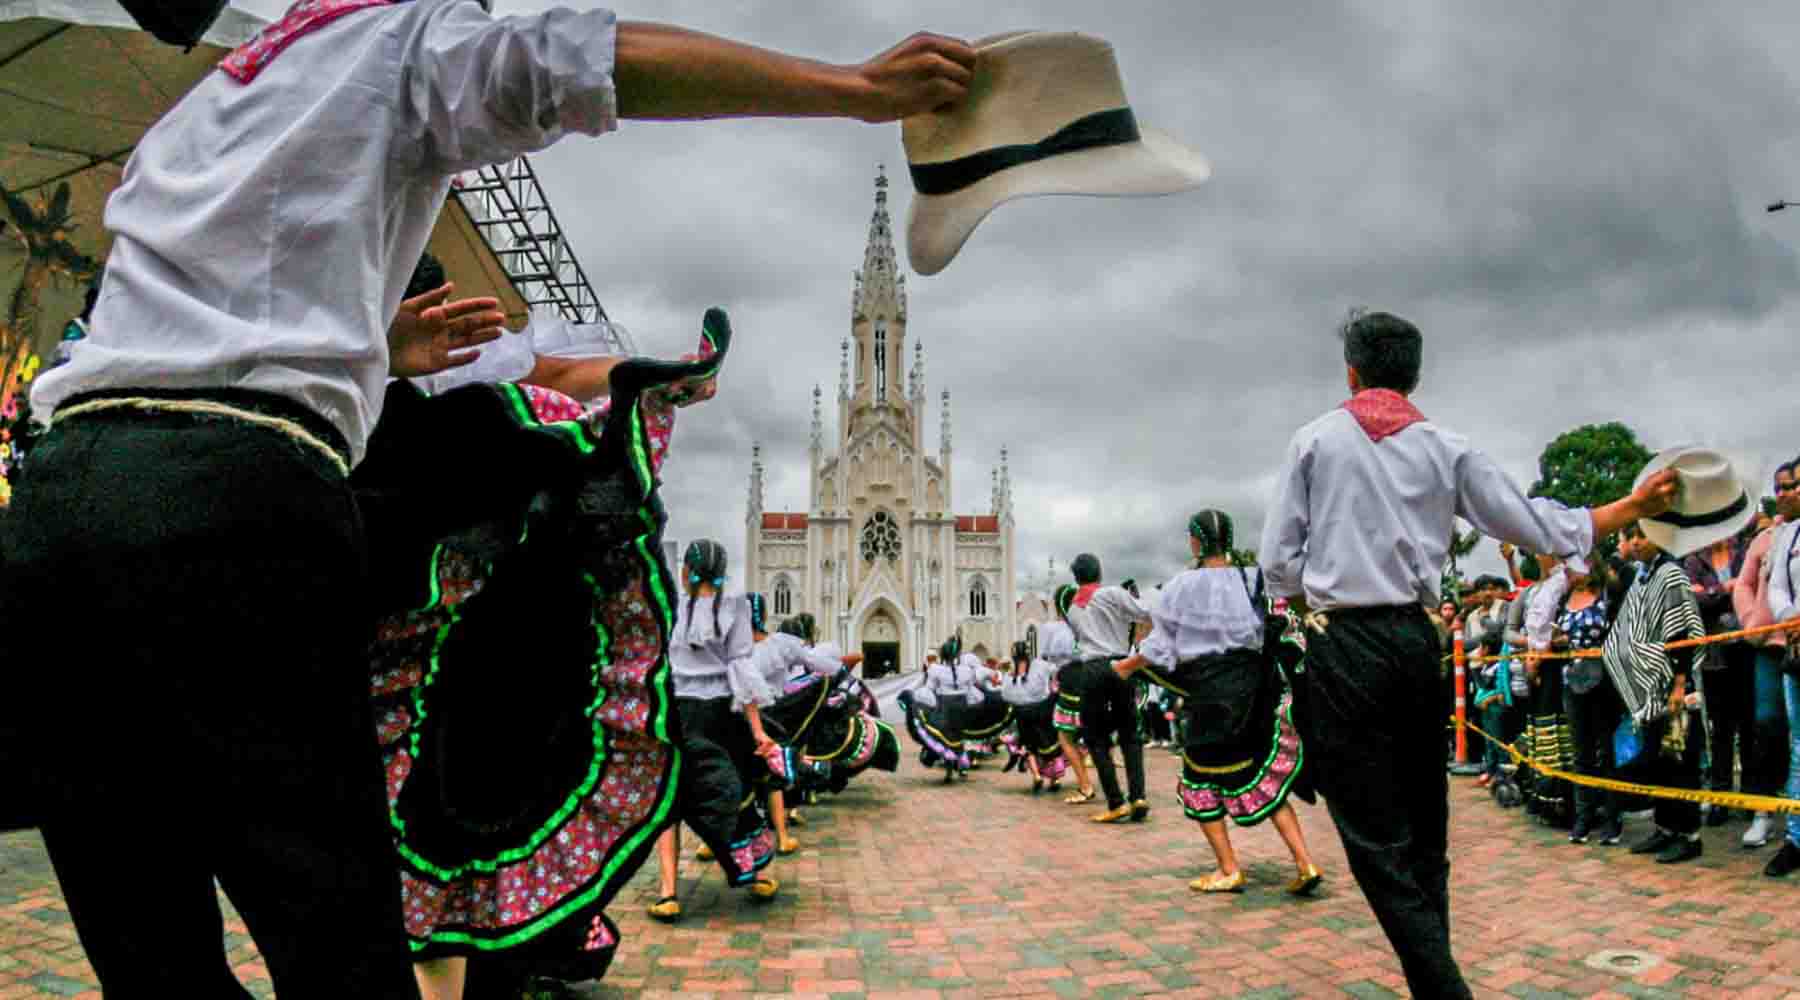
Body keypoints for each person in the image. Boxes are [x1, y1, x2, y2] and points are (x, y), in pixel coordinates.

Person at [1, 1, 975, 992]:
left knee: (151, 959)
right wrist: (853, 89)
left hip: (53, 511)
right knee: (340, 956)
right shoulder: (393, 40)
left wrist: (377, 352)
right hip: (231, 503)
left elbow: (207, 328)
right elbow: (586, 59)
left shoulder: (203, 104)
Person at [1257, 309, 1677, 999]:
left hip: (1347, 646)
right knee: (1426, 828)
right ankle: (1435, 983)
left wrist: (1325, 594)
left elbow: (1277, 566)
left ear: (1351, 371)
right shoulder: (1446, 448)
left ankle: (1444, 988)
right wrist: (1630, 506)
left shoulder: (1314, 442)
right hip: (1419, 641)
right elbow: (1539, 524)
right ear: (1414, 375)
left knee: (1371, 836)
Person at [361, 306, 729, 1000]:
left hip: (489, 618)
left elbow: (557, 375)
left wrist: (664, 376)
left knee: (467, 823)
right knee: (405, 833)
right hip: (389, 583)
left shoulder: (469, 347)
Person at [1114, 510, 1323, 895]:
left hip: (1209, 691)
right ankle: (1304, 861)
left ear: (1195, 541)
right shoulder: (1252, 578)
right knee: (1262, 774)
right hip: (1251, 692)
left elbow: (1161, 646)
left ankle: (1228, 868)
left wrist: (1127, 665)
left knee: (1199, 778)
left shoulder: (1180, 587)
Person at [647, 540, 783, 923]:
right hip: (722, 714)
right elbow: (741, 670)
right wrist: (757, 732)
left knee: (671, 799)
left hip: (677, 714)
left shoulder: (668, 605)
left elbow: (656, 665)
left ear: (686, 572)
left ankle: (668, 892)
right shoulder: (735, 608)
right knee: (733, 791)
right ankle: (751, 872)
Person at [1606, 524, 1706, 865]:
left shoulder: (1671, 574)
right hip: (1650, 687)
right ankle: (1665, 827)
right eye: (1631, 536)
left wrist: (1679, 684)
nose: (1634, 542)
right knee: (1657, 757)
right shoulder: (1643, 577)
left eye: (1642, 536)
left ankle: (1689, 834)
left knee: (1678, 757)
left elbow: (1680, 630)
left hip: (1675, 684)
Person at [1063, 552, 1154, 823]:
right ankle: (1138, 796)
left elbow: (1081, 641)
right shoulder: (1113, 594)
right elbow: (1143, 612)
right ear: (1098, 573)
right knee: (1129, 732)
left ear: (1076, 577)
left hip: (1091, 670)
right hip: (1120, 664)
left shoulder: (1072, 609)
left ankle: (1116, 801)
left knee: (1095, 738)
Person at [1738, 463, 1798, 856]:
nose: (1785, 492)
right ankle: (1767, 811)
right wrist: (1751, 619)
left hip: (1793, 639)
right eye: (1779, 487)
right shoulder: (1767, 538)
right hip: (1772, 644)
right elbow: (1746, 583)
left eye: (1792, 486)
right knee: (1768, 724)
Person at [1554, 554, 1625, 846]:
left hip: (1604, 678)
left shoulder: (1609, 594)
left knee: (1606, 751)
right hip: (1572, 678)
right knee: (1581, 751)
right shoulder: (1564, 597)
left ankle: (1612, 818)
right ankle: (1583, 816)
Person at [1758, 490, 1800, 877]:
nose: (1788, 492)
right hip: (1797, 649)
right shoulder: (1786, 537)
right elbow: (1776, 587)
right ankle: (1796, 839)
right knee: (1799, 747)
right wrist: (1791, 617)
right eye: (1785, 485)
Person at [1047, 584, 1098, 804]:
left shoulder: (1059, 630)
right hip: (1092, 679)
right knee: (1095, 734)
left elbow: (1052, 656)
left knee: (1065, 736)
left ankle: (1085, 784)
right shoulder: (1090, 624)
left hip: (1070, 682)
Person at [999, 640, 1069, 793]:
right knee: (1050, 743)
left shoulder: (1011, 673)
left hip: (1023, 713)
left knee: (1029, 746)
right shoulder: (1040, 665)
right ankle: (1054, 778)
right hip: (1043, 710)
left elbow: (1005, 695)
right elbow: (1057, 671)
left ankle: (1037, 776)